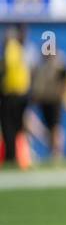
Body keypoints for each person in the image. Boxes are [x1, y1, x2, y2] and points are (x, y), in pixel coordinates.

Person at [29, 38, 66, 163]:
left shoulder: (59, 61)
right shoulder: (41, 63)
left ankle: (57, 153)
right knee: (43, 127)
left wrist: (61, 93)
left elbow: (65, 79)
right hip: (44, 99)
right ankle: (52, 149)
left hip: (54, 99)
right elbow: (36, 81)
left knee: (56, 128)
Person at [0, 25, 32, 167]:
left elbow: (7, 69)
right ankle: (21, 157)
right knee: (18, 127)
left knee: (9, 127)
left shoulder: (11, 48)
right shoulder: (21, 49)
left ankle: (12, 156)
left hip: (11, 93)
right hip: (21, 93)